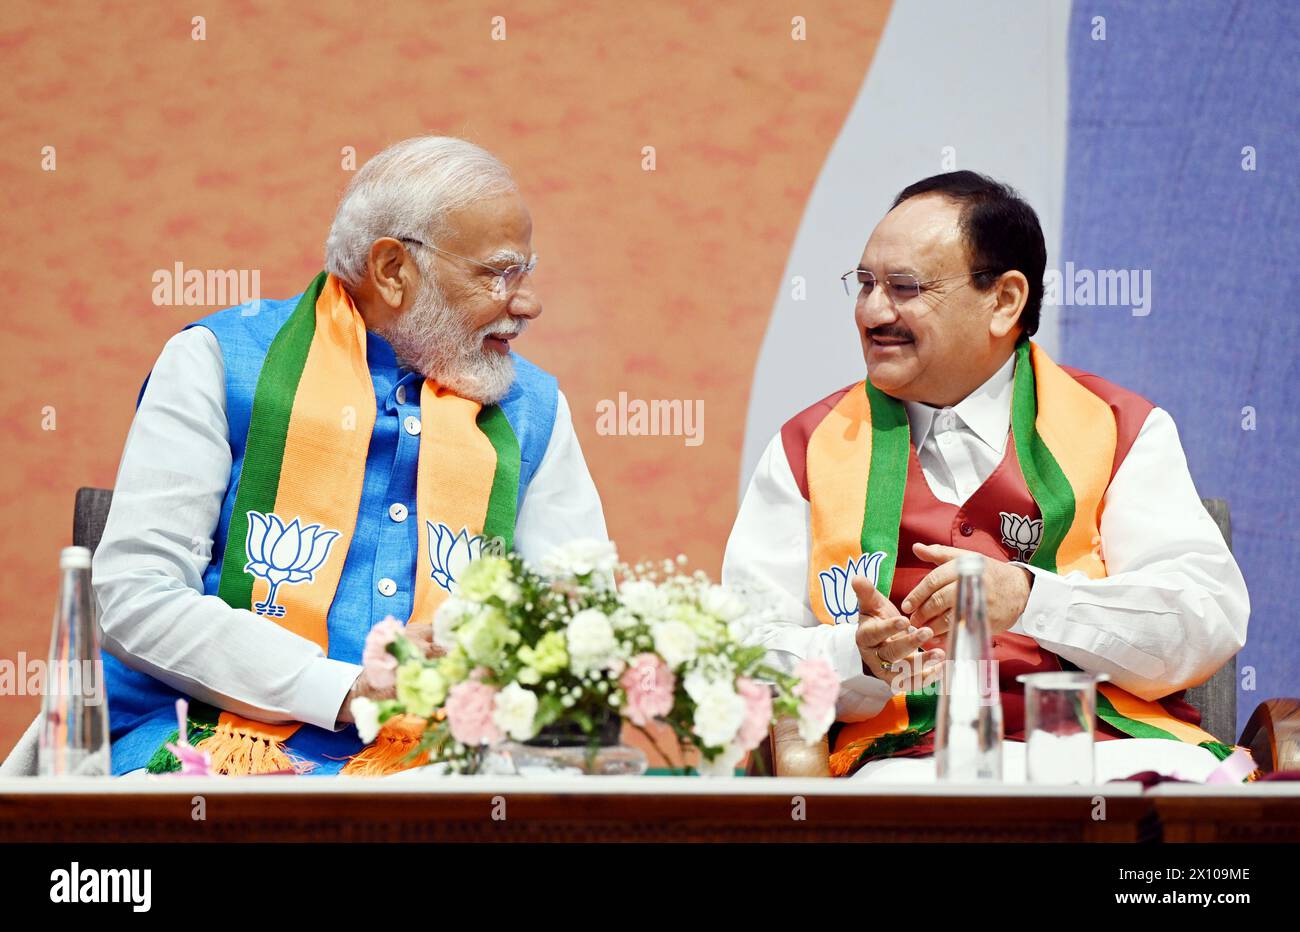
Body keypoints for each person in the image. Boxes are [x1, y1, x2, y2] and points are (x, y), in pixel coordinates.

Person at [94, 136, 608, 775]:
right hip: (211, 746)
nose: (526, 302)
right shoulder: (218, 361)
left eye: (524, 273)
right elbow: (136, 595)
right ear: (393, 270)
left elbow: (581, 624)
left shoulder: (533, 406)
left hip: (447, 766)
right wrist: (343, 689)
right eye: (497, 273)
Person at [723, 171, 1248, 780]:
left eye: (905, 287)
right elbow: (739, 655)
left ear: (1004, 301)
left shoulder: (1120, 427)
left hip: (1110, 747)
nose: (872, 311)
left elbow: (1206, 618)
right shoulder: (808, 447)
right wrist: (855, 657)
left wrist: (1032, 599)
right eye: (864, 284)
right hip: (908, 759)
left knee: (1186, 820)